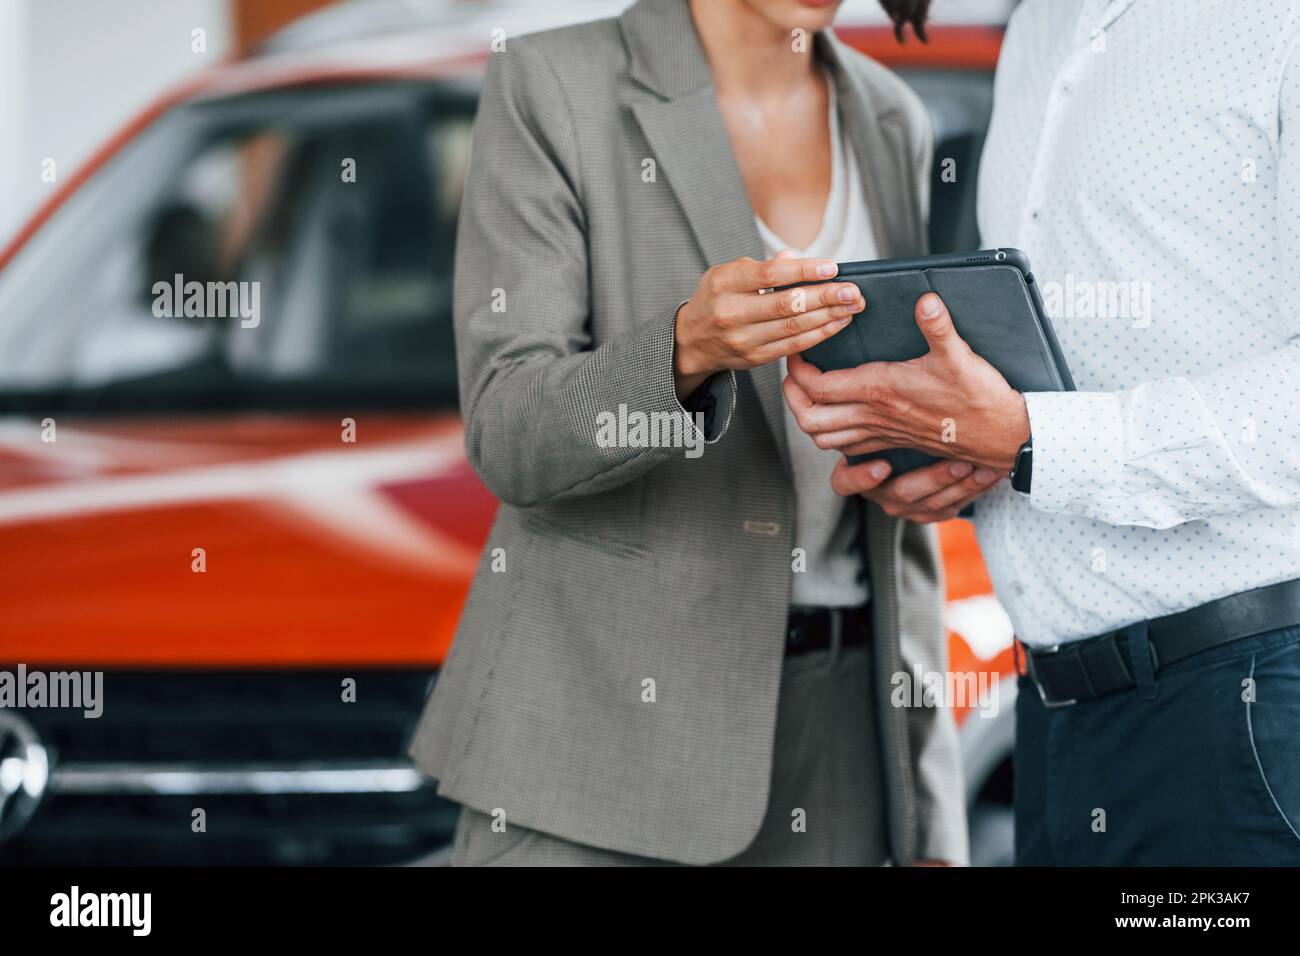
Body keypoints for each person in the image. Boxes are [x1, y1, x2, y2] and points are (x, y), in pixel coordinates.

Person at [406, 0, 969, 866]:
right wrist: (681, 351)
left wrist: (928, 810)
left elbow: (895, 510)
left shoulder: (889, 115)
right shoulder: (554, 85)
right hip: (598, 754)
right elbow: (508, 429)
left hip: (844, 746)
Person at [784, 0, 1300, 864]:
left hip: (1241, 710)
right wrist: (956, 451)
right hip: (1054, 720)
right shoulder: (1036, 29)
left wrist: (1031, 440)